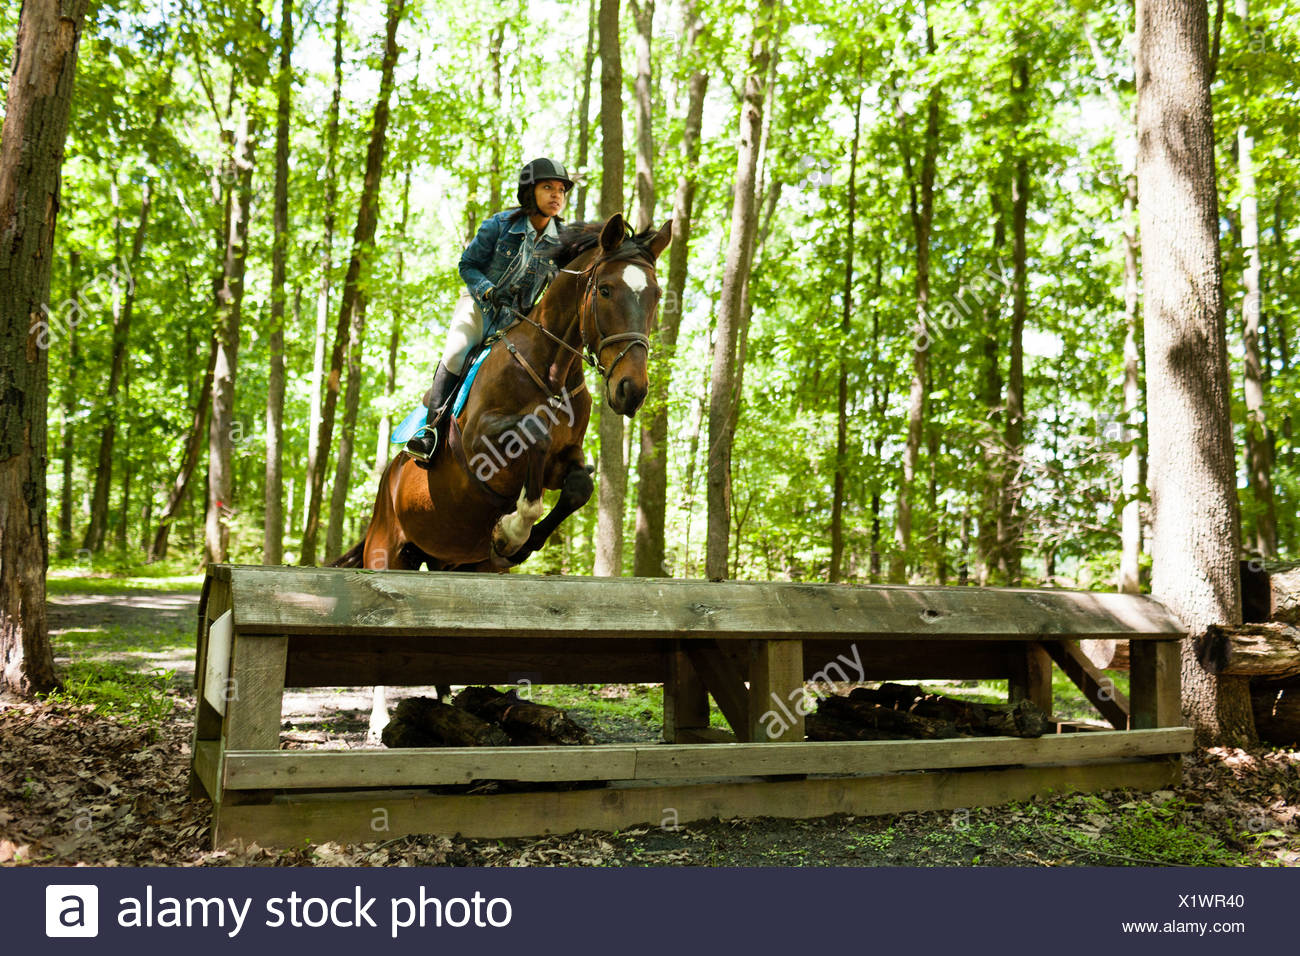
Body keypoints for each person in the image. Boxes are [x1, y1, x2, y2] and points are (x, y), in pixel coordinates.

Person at [405, 157, 575, 461]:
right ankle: (428, 432)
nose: (556, 195)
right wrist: (487, 290)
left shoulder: (562, 241)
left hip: (518, 323)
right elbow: (467, 265)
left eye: (561, 190)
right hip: (478, 309)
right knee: (456, 352)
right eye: (548, 187)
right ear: (529, 192)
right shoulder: (499, 224)